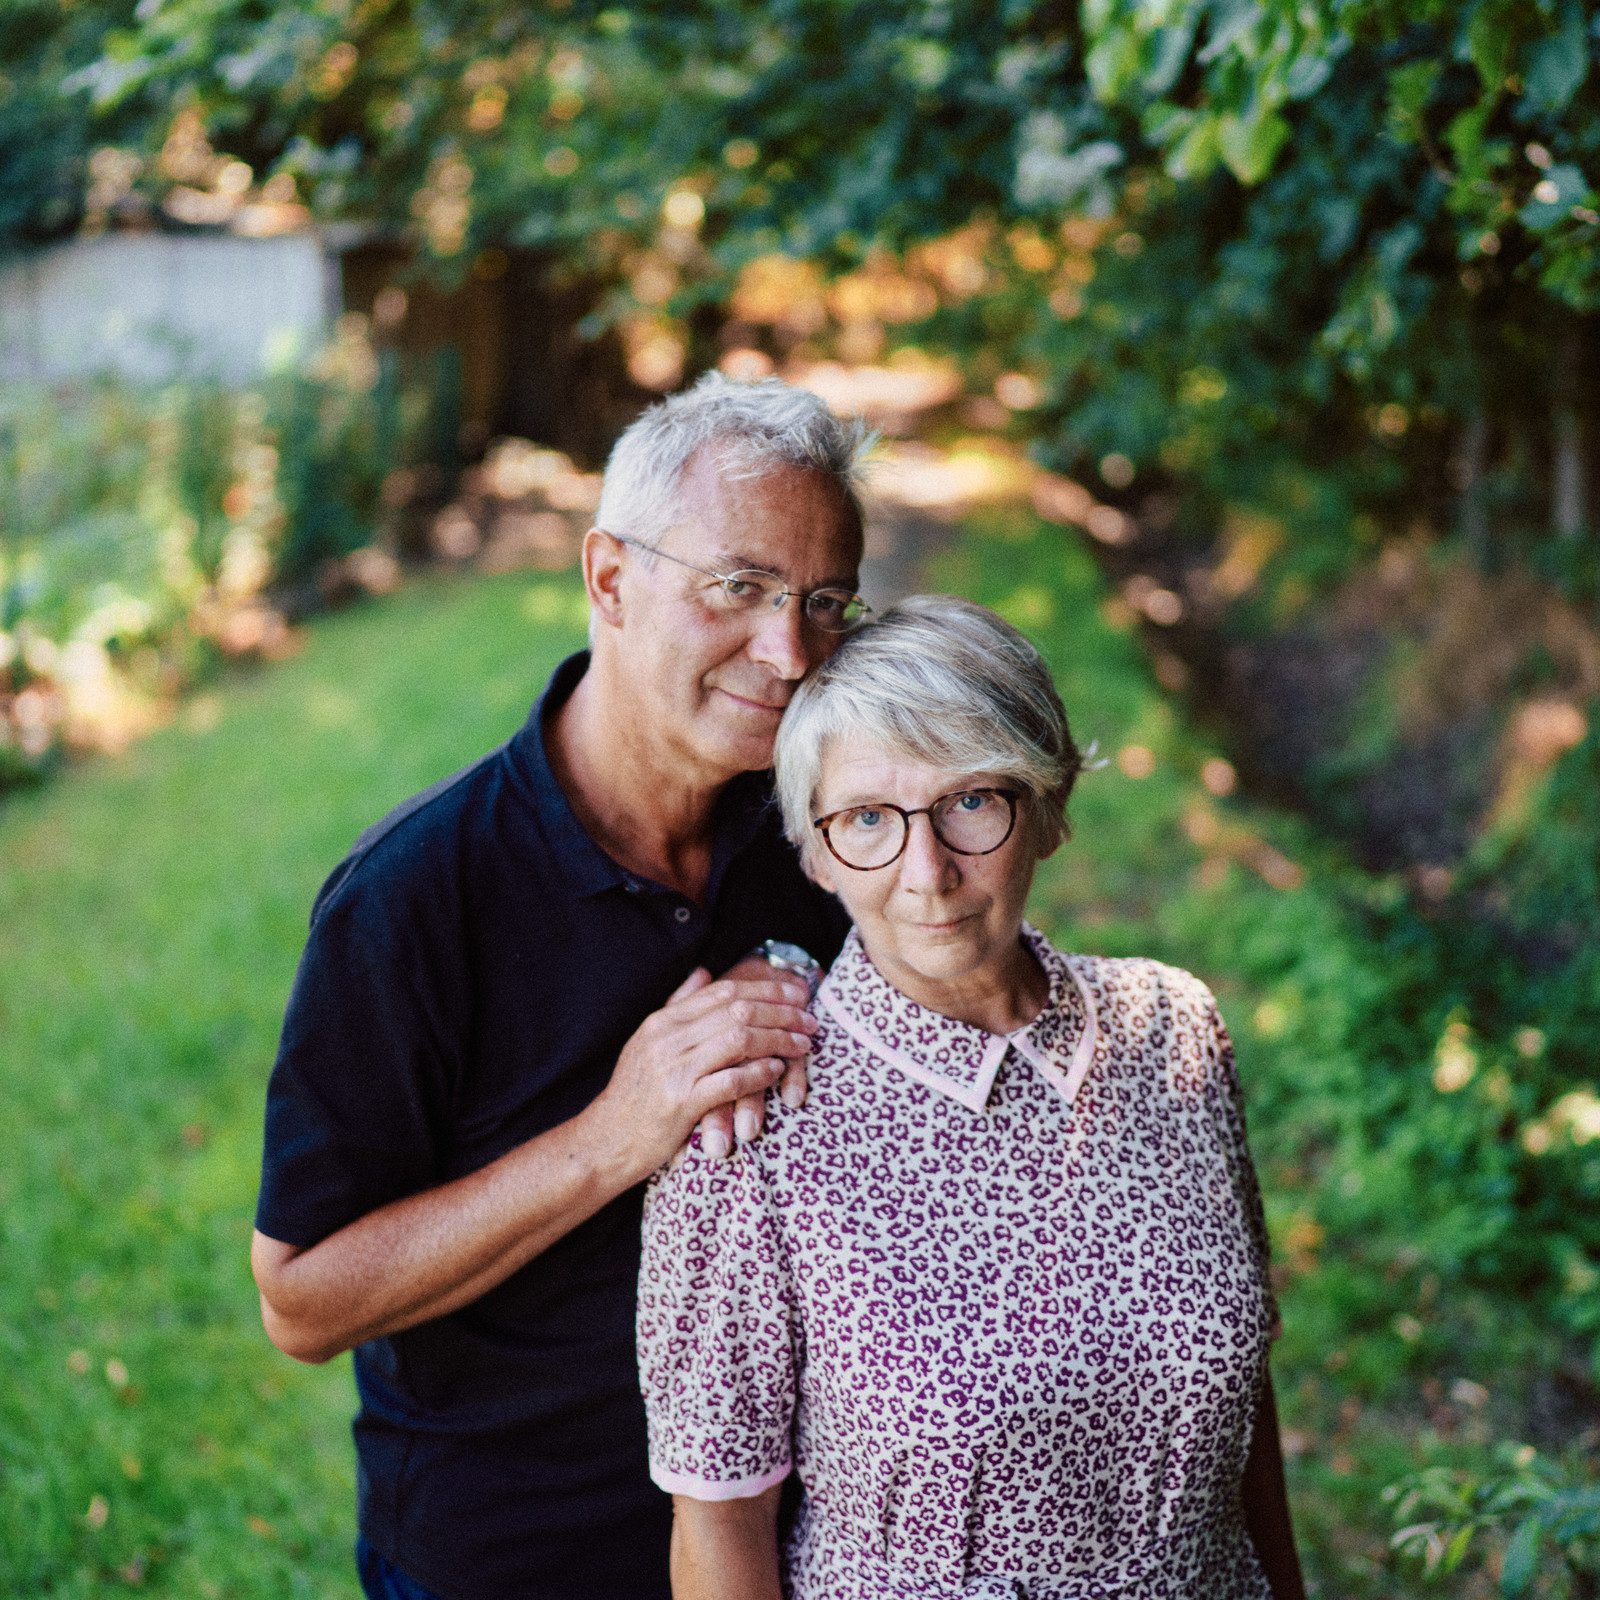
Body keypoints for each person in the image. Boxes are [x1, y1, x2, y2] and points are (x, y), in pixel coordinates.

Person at [250, 373, 876, 1600]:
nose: (789, 649)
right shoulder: (413, 897)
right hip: (514, 1552)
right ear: (608, 579)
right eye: (736, 587)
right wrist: (614, 1133)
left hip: (794, 1541)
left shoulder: (828, 838)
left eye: (823, 602)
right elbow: (304, 1301)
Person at [637, 594, 1306, 1600]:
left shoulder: (1174, 1030)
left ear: (1043, 806)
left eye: (971, 801)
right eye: (867, 818)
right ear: (815, 852)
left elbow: (1238, 1399)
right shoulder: (751, 1128)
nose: (928, 872)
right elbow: (721, 1520)